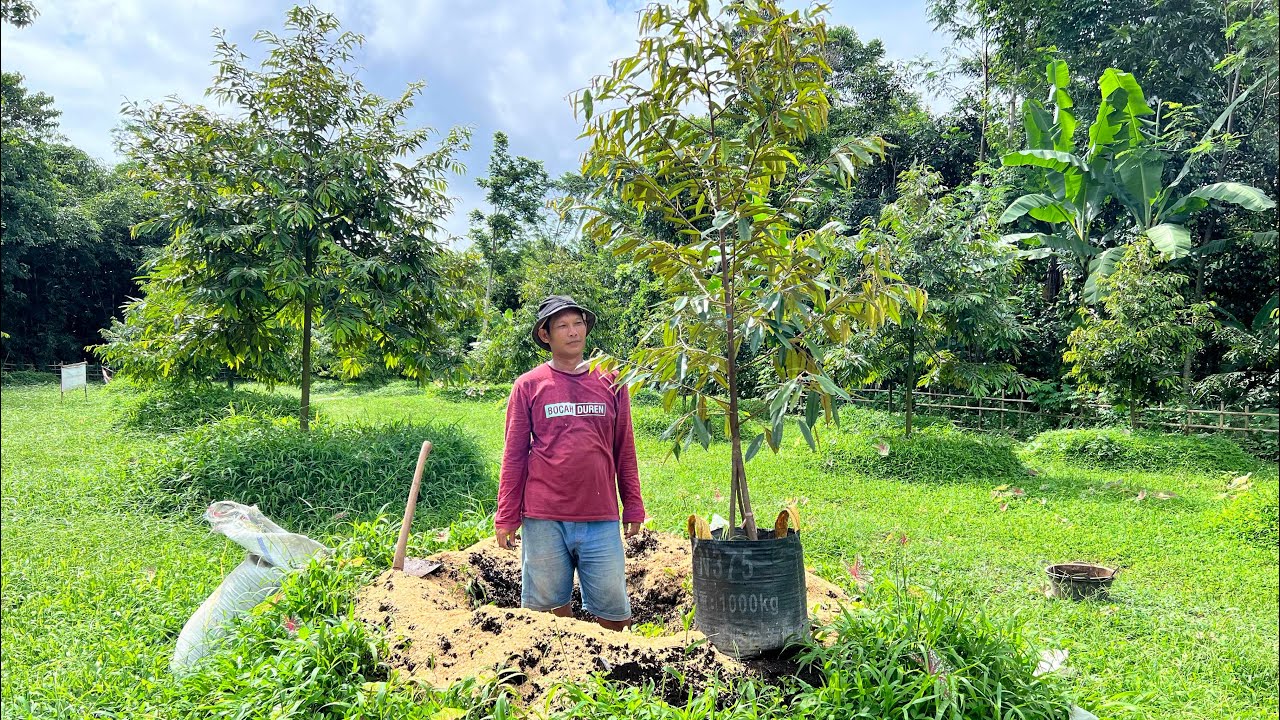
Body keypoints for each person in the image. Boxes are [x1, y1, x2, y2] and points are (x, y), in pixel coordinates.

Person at [494, 295, 645, 631]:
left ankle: (610, 678)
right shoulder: (529, 386)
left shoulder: (611, 380)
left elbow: (625, 448)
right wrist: (506, 515)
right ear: (545, 335)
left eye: (578, 323)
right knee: (547, 614)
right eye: (562, 325)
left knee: (614, 612)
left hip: (600, 515)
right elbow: (514, 455)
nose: (573, 332)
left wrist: (632, 504)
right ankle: (563, 676)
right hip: (543, 517)